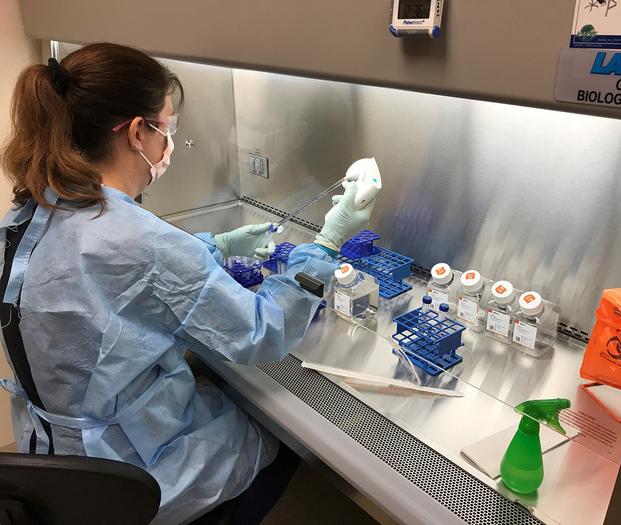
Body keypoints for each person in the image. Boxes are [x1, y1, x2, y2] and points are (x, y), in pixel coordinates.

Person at [0, 43, 374, 524]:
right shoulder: (137, 238)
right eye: (167, 129)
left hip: (57, 462)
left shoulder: (29, 212)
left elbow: (116, 272)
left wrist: (217, 244)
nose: (169, 144)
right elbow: (262, 332)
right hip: (133, 473)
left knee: (215, 394)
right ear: (137, 133)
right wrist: (326, 245)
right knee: (278, 434)